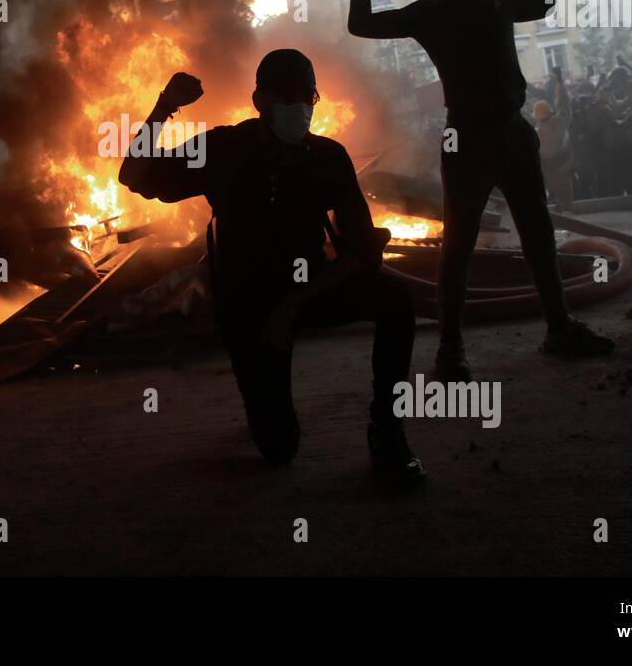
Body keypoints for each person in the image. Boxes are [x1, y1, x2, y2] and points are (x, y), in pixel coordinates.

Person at [119, 50, 425, 483]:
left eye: (307, 97)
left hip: (308, 292)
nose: (299, 107)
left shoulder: (328, 157)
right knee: (280, 449)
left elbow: (362, 253)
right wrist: (164, 108)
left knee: (395, 298)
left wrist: (293, 305)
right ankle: (265, 405)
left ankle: (388, 428)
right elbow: (134, 174)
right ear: (259, 99)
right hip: (247, 304)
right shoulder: (223, 148)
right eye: (287, 96)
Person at [348, 0, 613, 379]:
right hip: (505, 132)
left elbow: (361, 23)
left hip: (470, 137)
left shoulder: (430, 13)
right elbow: (544, 2)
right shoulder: (494, 4)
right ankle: (556, 326)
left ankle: (452, 349)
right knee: (534, 234)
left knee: (462, 245)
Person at [533, 66, 574, 213]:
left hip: (548, 171)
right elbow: (563, 103)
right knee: (567, 200)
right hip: (564, 167)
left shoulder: (536, 132)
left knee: (557, 200)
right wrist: (560, 80)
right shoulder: (559, 121)